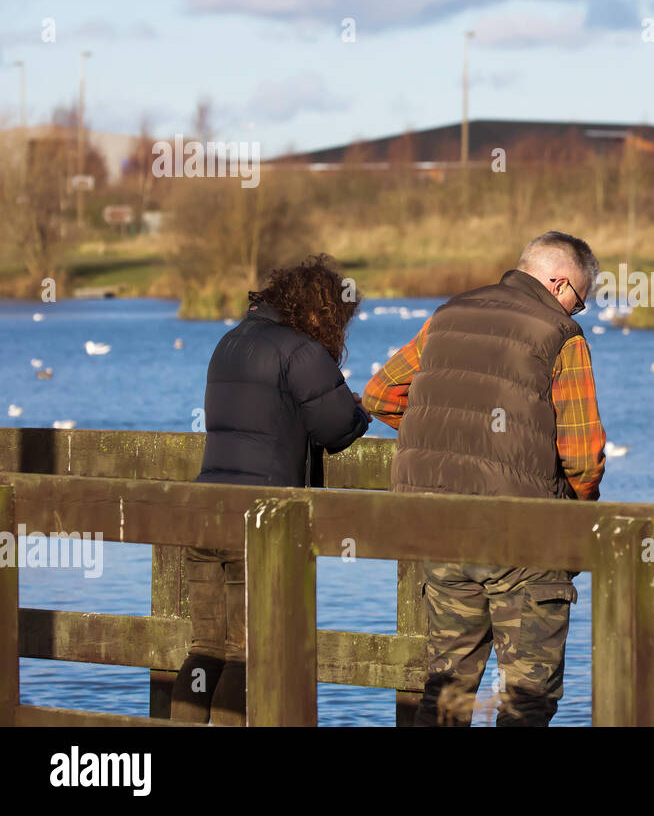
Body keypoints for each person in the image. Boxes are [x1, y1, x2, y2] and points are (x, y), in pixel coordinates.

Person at [363, 230, 606, 727]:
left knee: (447, 687)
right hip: (524, 535)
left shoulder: (448, 315)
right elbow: (582, 455)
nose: (575, 313)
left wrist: (447, 438)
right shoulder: (560, 334)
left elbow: (381, 393)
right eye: (578, 302)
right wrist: (574, 520)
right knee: (527, 696)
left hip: (438, 526)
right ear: (561, 284)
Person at [172, 254, 371, 725]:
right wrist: (360, 411)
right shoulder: (300, 351)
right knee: (247, 650)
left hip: (206, 515)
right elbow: (338, 426)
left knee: (206, 649)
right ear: (323, 310)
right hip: (259, 523)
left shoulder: (229, 341)